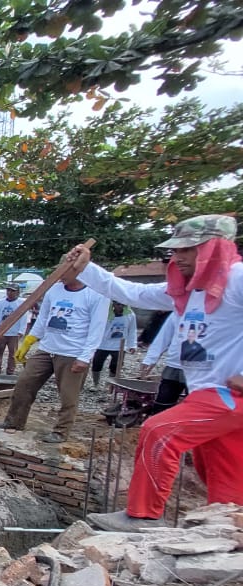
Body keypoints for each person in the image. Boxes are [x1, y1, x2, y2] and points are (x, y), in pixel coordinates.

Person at [63, 216, 243, 531]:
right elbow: (130, 292)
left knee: (160, 431)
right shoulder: (189, 290)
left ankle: (143, 515)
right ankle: (227, 526)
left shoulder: (237, 278)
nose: (177, 258)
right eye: (175, 251)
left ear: (213, 248)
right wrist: (86, 268)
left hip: (228, 394)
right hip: (206, 392)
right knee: (220, 462)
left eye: (188, 250)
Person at [0, 277, 108, 442]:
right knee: (24, 383)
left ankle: (61, 432)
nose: (61, 275)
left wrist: (85, 357)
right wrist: (30, 340)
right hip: (47, 348)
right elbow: (43, 318)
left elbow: (97, 328)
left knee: (68, 395)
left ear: (79, 270)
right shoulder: (55, 289)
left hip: (73, 352)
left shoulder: (96, 294)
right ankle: (14, 422)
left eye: (66, 270)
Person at [138, 310, 186, 414]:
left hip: (200, 368)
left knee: (194, 405)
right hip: (173, 365)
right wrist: (150, 359)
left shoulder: (214, 311)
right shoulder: (179, 312)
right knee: (162, 403)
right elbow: (164, 336)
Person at [92, 302, 137, 386]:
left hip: (119, 345)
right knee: (97, 363)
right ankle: (95, 383)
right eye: (117, 304)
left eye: (122, 305)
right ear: (113, 304)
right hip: (103, 344)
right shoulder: (105, 313)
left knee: (115, 366)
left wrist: (132, 345)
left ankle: (110, 384)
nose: (120, 307)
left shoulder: (130, 315)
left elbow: (132, 330)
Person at [0, 284, 28, 374]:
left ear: (18, 292)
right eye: (8, 290)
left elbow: (24, 318)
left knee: (13, 354)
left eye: (12, 291)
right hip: (1, 332)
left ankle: (10, 370)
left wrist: (21, 331)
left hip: (14, 332)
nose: (10, 293)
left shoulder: (21, 303)